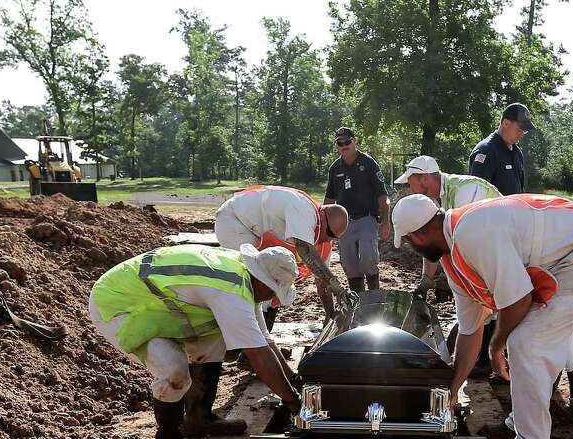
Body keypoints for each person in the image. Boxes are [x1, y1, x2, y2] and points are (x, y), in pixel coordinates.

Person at [392, 193, 573, 439]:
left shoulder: (472, 233)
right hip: (572, 256)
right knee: (528, 340)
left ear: (418, 235)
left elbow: (518, 300)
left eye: (409, 243)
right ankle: (522, 422)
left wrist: (496, 346)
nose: (413, 250)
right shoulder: (455, 258)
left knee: (527, 343)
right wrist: (452, 389)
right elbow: (469, 331)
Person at [89, 243, 302, 439]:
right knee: (174, 371)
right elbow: (258, 354)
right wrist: (292, 401)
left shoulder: (243, 278)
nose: (272, 297)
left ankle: (199, 419)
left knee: (217, 335)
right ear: (262, 280)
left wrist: (294, 381)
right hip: (120, 303)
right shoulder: (229, 292)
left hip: (154, 302)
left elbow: (264, 341)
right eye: (273, 290)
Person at [212, 184, 354, 319]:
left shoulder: (323, 241)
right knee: (254, 280)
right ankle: (243, 324)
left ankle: (261, 325)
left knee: (275, 283)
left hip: (255, 231)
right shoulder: (304, 209)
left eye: (333, 237)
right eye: (329, 233)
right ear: (322, 214)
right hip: (234, 220)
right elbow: (305, 250)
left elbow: (322, 281)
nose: (328, 239)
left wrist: (331, 314)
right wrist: (337, 286)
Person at [394, 155, 500, 296]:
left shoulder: (466, 190)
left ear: (424, 179)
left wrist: (451, 277)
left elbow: (470, 243)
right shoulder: (433, 201)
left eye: (410, 184)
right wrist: (426, 279)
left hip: (502, 256)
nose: (411, 191)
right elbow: (432, 242)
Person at [325, 127, 389, 292]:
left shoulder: (368, 163)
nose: (344, 146)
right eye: (340, 144)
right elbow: (329, 198)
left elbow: (383, 195)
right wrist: (325, 226)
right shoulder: (335, 168)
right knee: (349, 265)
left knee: (368, 258)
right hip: (344, 222)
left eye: (347, 142)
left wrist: (386, 221)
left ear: (355, 141)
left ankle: (374, 296)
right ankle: (358, 300)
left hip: (367, 218)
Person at [467, 103, 534, 196]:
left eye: (524, 131)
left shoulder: (517, 153)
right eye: (519, 130)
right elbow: (476, 194)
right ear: (506, 123)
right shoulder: (486, 151)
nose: (522, 134)